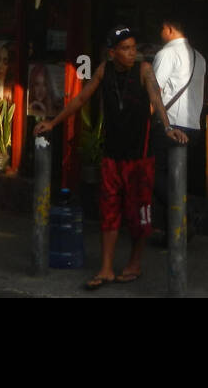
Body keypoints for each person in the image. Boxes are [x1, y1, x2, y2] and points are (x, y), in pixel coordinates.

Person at [34, 26, 186, 289]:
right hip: (112, 157)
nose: (132, 53)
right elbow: (81, 98)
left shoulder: (144, 70)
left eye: (133, 48)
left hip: (140, 157)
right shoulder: (104, 71)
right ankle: (106, 268)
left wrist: (169, 127)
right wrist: (53, 122)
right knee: (109, 212)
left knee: (140, 213)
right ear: (112, 52)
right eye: (125, 49)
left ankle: (134, 263)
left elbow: (156, 97)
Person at [150, 16, 206, 244]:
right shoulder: (199, 58)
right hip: (193, 126)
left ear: (170, 29)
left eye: (162, 28)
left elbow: (154, 92)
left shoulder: (167, 54)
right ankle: (174, 233)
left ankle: (186, 210)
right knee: (174, 178)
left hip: (170, 125)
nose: (160, 32)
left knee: (153, 174)